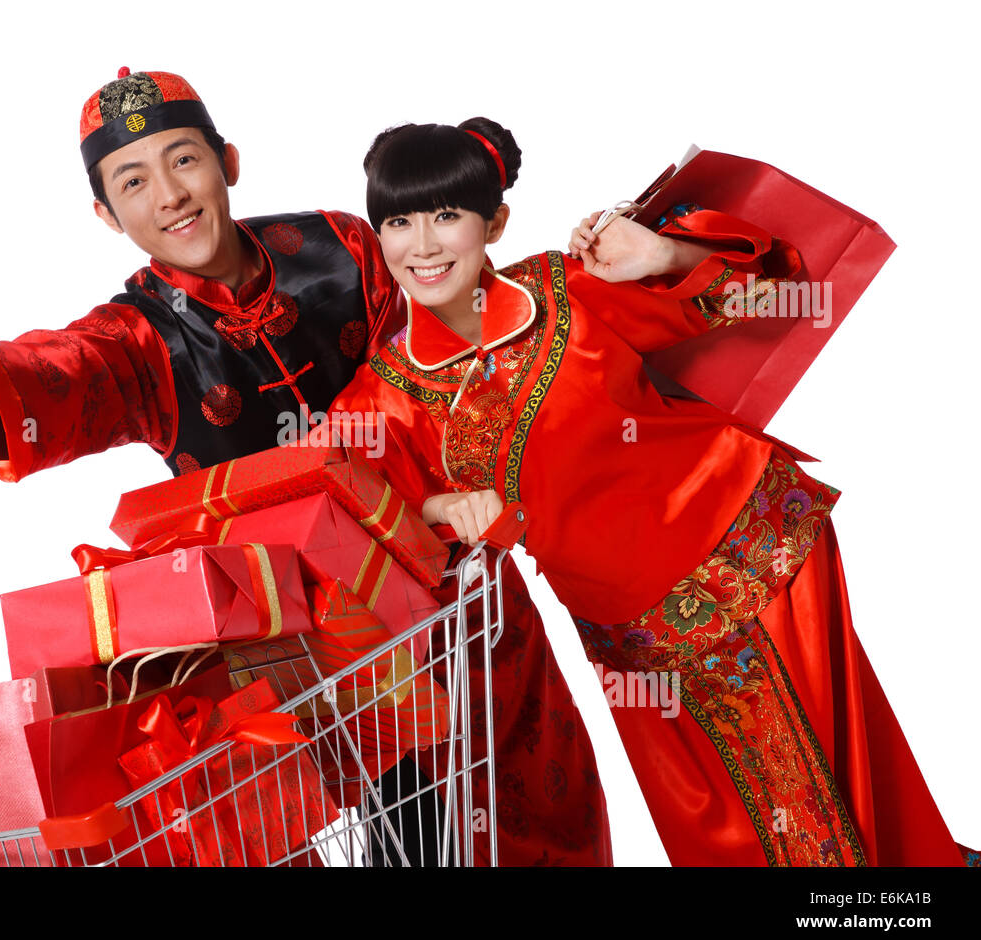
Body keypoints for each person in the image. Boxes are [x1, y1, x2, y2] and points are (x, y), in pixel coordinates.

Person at [0, 69, 612, 866]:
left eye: (184, 160)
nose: (169, 194)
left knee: (546, 793)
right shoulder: (137, 339)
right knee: (415, 832)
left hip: (461, 578)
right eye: (133, 180)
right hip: (325, 648)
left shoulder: (339, 245)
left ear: (228, 161)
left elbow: (445, 351)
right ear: (105, 214)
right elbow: (60, 369)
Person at [328, 116, 979, 866]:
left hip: (745, 552)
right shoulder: (384, 399)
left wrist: (663, 252)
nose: (424, 243)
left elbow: (767, 296)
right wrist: (442, 507)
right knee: (729, 834)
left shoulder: (567, 290)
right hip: (629, 632)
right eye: (399, 221)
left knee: (813, 804)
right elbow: (365, 511)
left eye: (448, 215)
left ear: (494, 222)